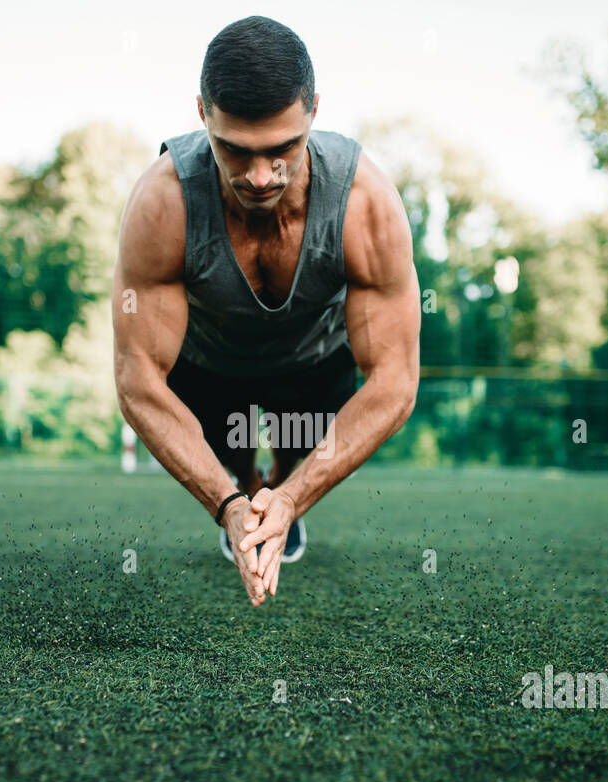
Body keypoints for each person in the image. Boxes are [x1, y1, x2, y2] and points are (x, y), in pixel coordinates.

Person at [112, 15, 420, 606]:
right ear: (202, 114)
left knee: (291, 465)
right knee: (235, 473)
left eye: (282, 149)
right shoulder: (163, 201)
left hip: (312, 363)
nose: (258, 176)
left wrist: (293, 497)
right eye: (234, 150)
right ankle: (248, 489)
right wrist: (227, 502)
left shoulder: (366, 203)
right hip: (209, 365)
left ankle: (275, 492)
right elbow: (138, 379)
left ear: (314, 112)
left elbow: (395, 381)